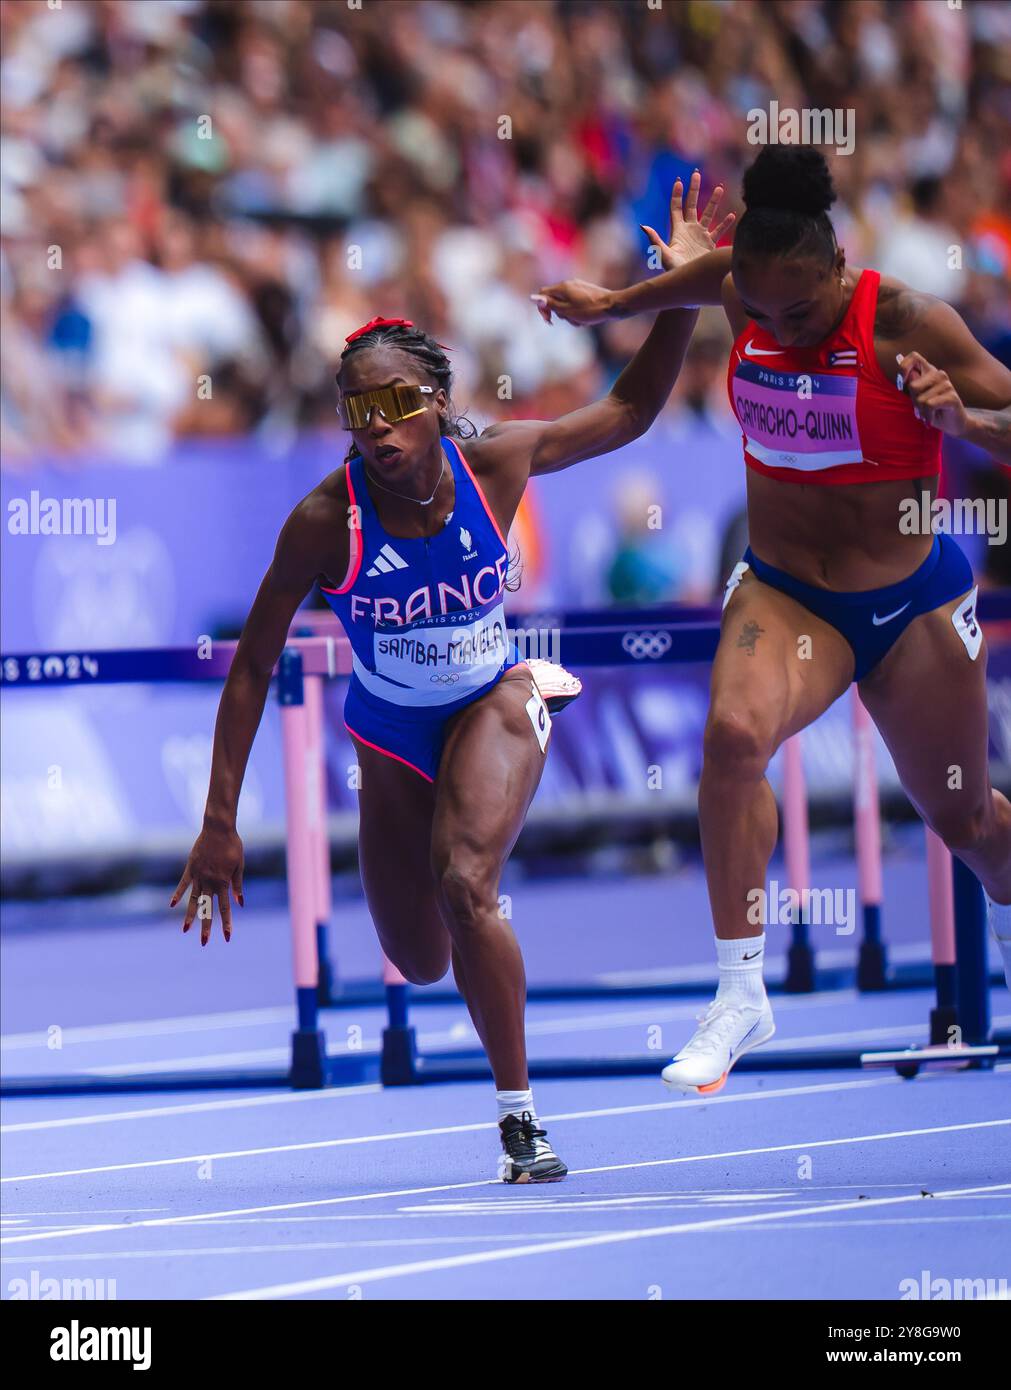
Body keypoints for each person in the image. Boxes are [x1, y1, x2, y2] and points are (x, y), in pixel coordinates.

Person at [171, 174, 733, 1173]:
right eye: (356, 413)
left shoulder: (500, 462)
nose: (377, 430)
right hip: (388, 736)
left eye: (394, 405)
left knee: (467, 885)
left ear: (436, 402)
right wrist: (219, 822)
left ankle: (520, 1117)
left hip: (491, 701)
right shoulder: (321, 519)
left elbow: (634, 410)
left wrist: (683, 290)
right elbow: (254, 663)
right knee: (421, 957)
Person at [535, 146, 1011, 1094]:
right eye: (758, 311)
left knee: (964, 818)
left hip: (912, 597)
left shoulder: (908, 323)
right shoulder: (736, 285)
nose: (777, 327)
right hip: (789, 592)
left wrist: (963, 426)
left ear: (838, 270)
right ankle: (739, 989)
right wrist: (612, 304)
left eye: (799, 311)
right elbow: (669, 293)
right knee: (731, 734)